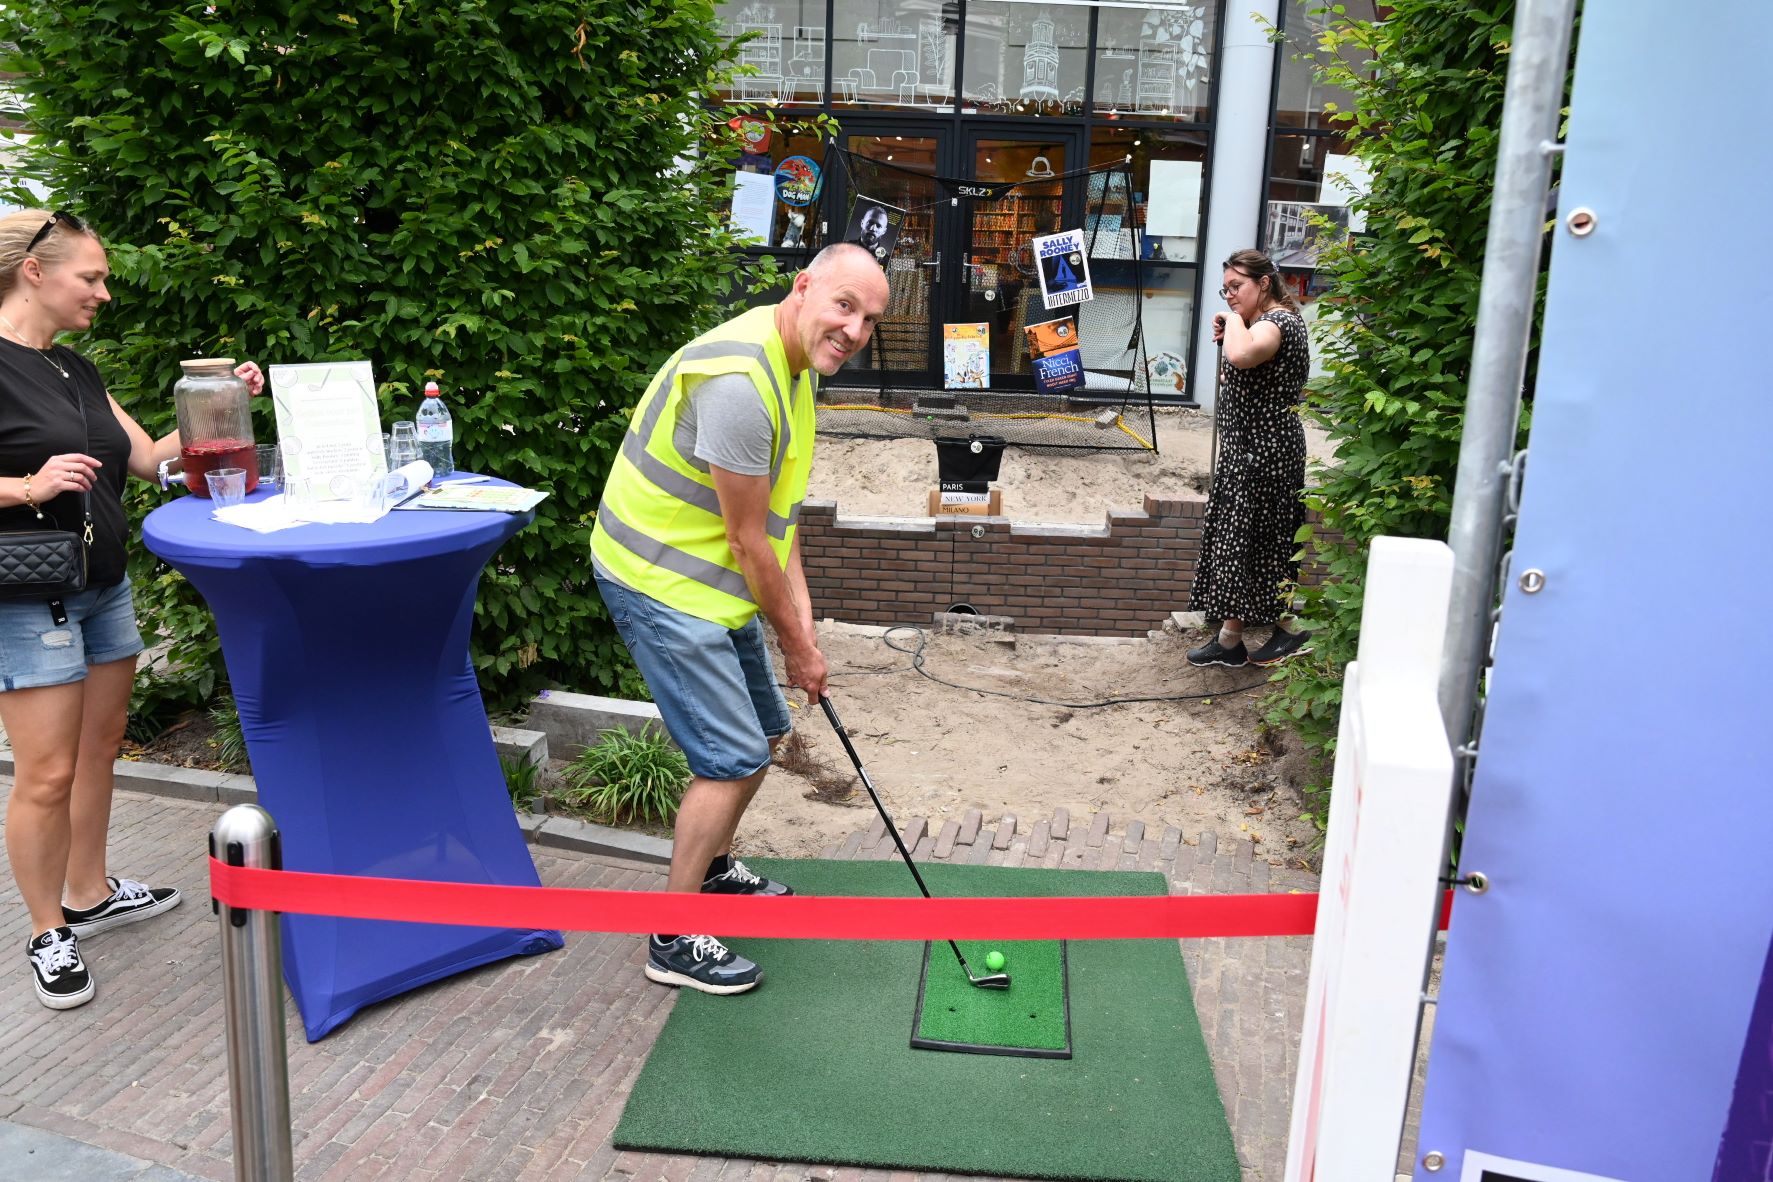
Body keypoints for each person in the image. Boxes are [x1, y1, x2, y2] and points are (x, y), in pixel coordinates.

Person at [591, 243, 889, 995]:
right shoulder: (740, 386)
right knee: (728, 757)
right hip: (657, 579)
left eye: (869, 320)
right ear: (803, 288)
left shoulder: (791, 370)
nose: (853, 330)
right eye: (844, 306)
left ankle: (715, 872)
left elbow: (777, 524)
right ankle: (671, 936)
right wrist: (796, 648)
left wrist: (806, 631)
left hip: (711, 583)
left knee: (760, 734)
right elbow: (747, 540)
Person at [0, 209, 265, 1009]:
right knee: (44, 774)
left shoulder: (74, 368)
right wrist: (25, 487)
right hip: (26, 596)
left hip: (102, 585)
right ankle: (49, 930)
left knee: (99, 745)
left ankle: (90, 890)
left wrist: (220, 404)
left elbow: (151, 461)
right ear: (35, 273)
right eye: (92, 278)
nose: (104, 293)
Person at [1187, 247, 1314, 669]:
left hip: (1267, 456)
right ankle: (1229, 641)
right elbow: (1239, 369)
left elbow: (1241, 357)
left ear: (1264, 283)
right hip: (1247, 454)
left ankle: (1290, 629)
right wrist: (1238, 325)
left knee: (1263, 542)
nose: (1230, 296)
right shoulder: (1257, 323)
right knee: (1242, 544)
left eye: (1236, 286)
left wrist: (1237, 323)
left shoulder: (1278, 323)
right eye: (1225, 290)